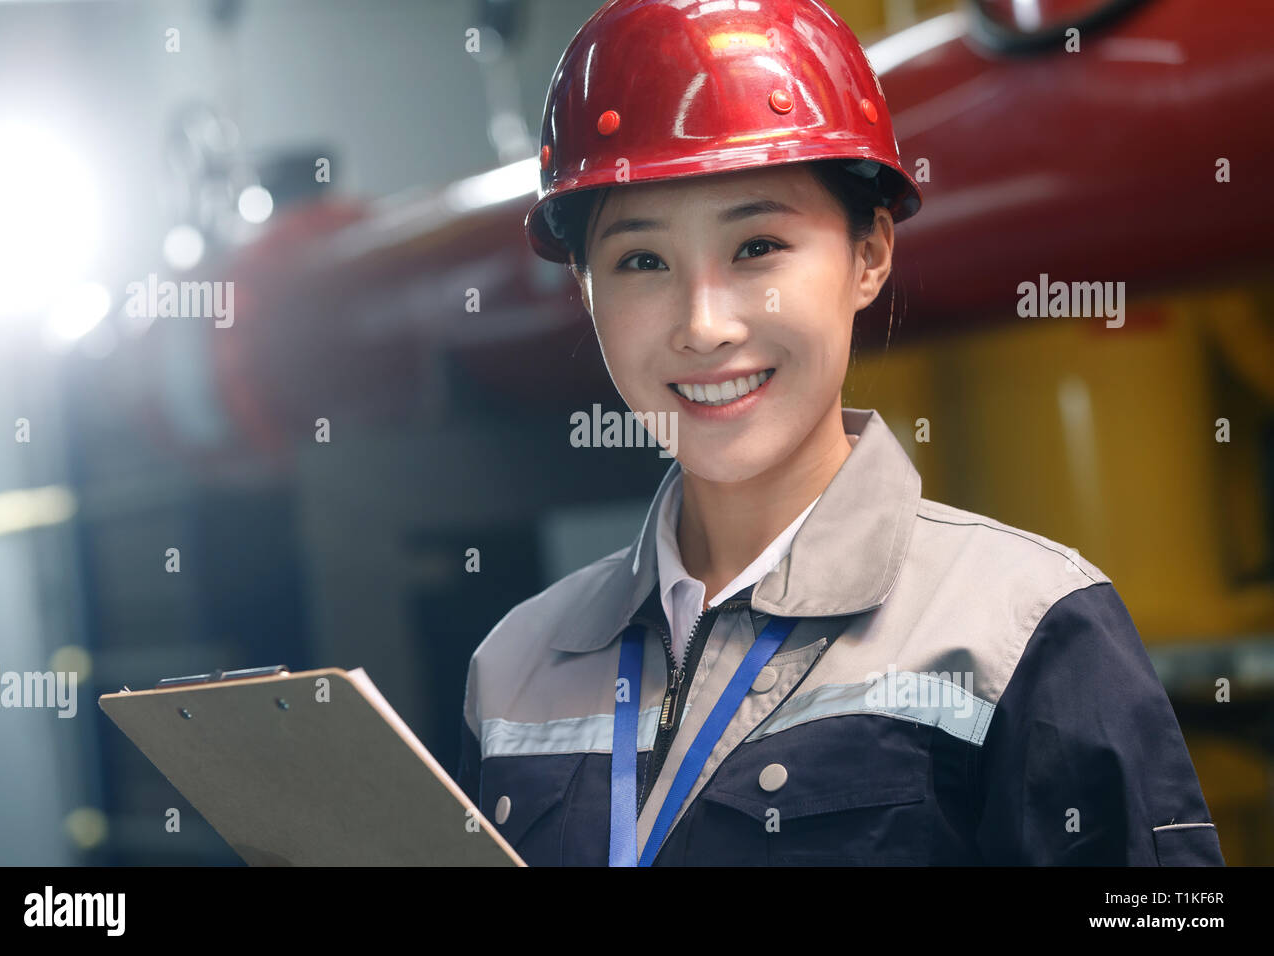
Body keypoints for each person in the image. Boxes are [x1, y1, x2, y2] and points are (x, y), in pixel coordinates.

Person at [457, 0, 1224, 866]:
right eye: (642, 261)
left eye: (757, 248)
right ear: (588, 292)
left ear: (870, 255)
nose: (704, 325)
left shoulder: (1024, 627)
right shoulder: (515, 666)